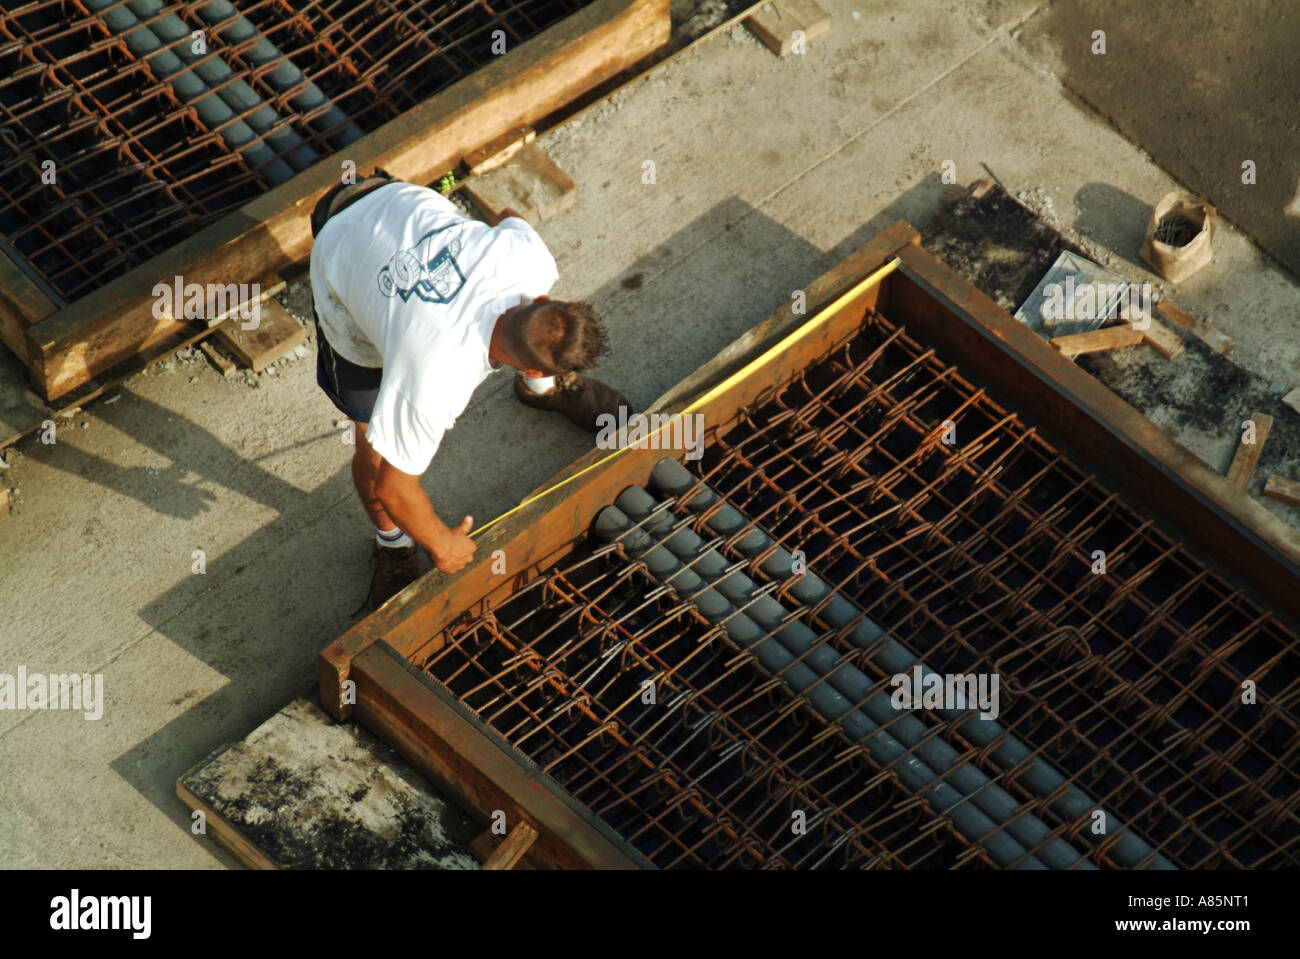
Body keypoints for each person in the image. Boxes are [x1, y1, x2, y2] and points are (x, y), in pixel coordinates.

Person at [309, 169, 628, 609]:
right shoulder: (431, 378)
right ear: (519, 364)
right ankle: (395, 546)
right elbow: (393, 489)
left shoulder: (525, 261)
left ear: (537, 301)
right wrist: (442, 543)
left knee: (545, 339)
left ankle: (545, 391)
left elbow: (507, 217)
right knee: (373, 442)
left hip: (398, 203)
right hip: (338, 250)